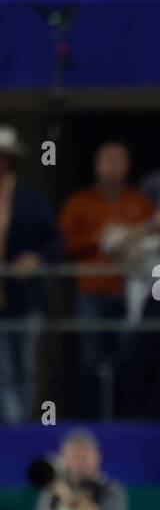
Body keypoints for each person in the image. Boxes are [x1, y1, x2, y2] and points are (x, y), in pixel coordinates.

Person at [57, 141, 155, 417]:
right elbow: (62, 245)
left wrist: (133, 243)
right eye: (107, 160)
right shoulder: (79, 201)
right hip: (92, 290)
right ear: (96, 165)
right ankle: (91, 417)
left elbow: (157, 243)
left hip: (131, 290)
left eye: (119, 160)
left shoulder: (139, 201)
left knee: (130, 356)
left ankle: (129, 416)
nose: (113, 167)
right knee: (90, 360)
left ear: (127, 165)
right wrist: (98, 238)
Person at [0, 125, 61, 424]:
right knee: (3, 368)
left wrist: (35, 259)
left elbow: (54, 241)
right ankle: (12, 424)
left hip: (24, 297)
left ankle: (22, 421)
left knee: (25, 365)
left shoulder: (30, 198)